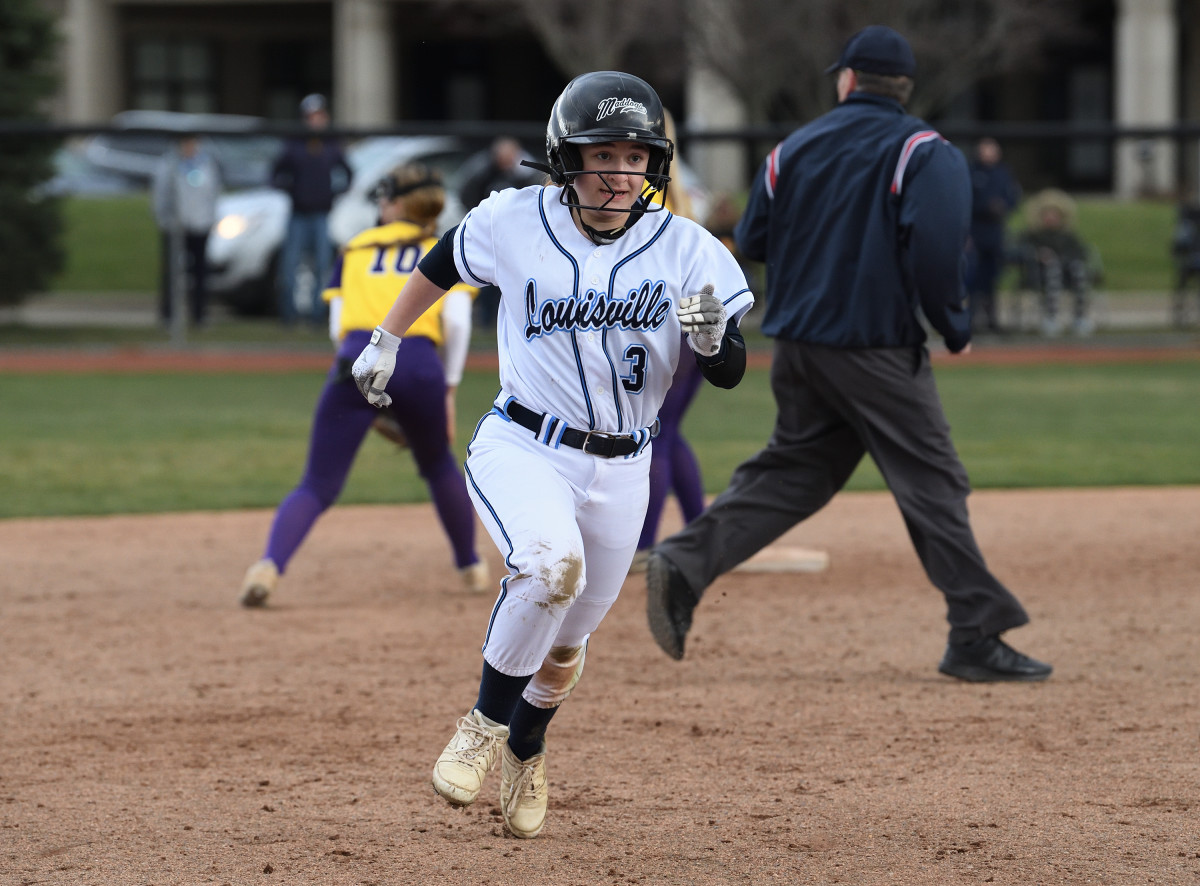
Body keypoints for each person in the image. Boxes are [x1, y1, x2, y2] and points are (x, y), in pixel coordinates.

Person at [349, 71, 754, 838]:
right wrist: (388, 337)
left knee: (568, 643)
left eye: (635, 157)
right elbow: (441, 262)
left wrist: (712, 339)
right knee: (546, 567)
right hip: (525, 444)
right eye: (601, 154)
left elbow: (728, 367)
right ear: (563, 159)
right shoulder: (515, 219)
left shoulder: (687, 249)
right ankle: (482, 725)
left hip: (626, 468)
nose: (619, 172)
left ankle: (527, 747)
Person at [644, 25, 1052, 684]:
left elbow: (751, 237)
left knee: (798, 472)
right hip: (873, 345)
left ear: (846, 81)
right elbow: (939, 248)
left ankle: (685, 561)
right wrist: (951, 323)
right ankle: (975, 631)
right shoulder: (925, 150)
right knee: (934, 479)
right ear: (905, 86)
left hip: (801, 345)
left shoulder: (791, 149)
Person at [239, 162, 489, 608]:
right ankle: (470, 565)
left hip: (357, 359)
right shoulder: (442, 248)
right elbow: (456, 322)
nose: (380, 206)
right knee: (436, 465)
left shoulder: (355, 248)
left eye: (383, 199)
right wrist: (446, 390)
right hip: (419, 364)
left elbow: (339, 328)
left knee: (317, 483)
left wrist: (363, 393)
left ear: (395, 204)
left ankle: (269, 565)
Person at [629, 109, 709, 573]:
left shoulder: (637, 195)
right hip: (694, 326)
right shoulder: (683, 195)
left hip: (656, 328)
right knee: (670, 431)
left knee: (653, 434)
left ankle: (643, 546)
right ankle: (702, 531)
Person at [271, 93, 352, 326]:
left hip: (321, 214)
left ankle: (318, 317)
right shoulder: (294, 143)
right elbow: (275, 172)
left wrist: (335, 193)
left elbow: (348, 172)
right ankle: (288, 317)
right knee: (290, 267)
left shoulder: (331, 143)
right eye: (310, 116)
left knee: (321, 266)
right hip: (297, 214)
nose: (315, 120)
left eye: (318, 115)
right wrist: (288, 189)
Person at [457, 137, 545, 331]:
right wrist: (477, 218)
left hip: (519, 236)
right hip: (489, 234)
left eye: (510, 156)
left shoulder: (526, 172)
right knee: (485, 279)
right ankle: (486, 322)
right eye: (502, 156)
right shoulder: (483, 171)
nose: (506, 161)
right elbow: (467, 194)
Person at [151, 132, 221, 326]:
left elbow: (213, 194)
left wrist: (210, 219)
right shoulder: (168, 164)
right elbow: (160, 195)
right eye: (186, 143)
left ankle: (199, 315)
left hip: (200, 225)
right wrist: (165, 220)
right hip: (175, 227)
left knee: (200, 273)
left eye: (193, 143)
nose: (189, 147)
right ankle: (168, 315)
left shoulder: (207, 164)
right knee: (172, 272)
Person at [1015, 188, 1099, 337]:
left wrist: (1067, 260)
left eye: (1054, 214)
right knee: (1053, 268)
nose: (1051, 218)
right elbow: (1020, 251)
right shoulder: (1031, 236)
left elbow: (1080, 253)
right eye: (1047, 214)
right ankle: (1050, 317)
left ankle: (1079, 317)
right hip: (1039, 276)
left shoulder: (1067, 236)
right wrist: (1038, 255)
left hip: (1067, 276)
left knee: (1078, 269)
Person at [966, 137, 1021, 333]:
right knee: (973, 278)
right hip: (976, 232)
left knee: (992, 278)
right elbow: (966, 201)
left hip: (995, 233)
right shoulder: (971, 172)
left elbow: (1013, 197)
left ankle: (992, 320)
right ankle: (971, 319)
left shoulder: (1003, 172)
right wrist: (985, 207)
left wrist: (1003, 206)